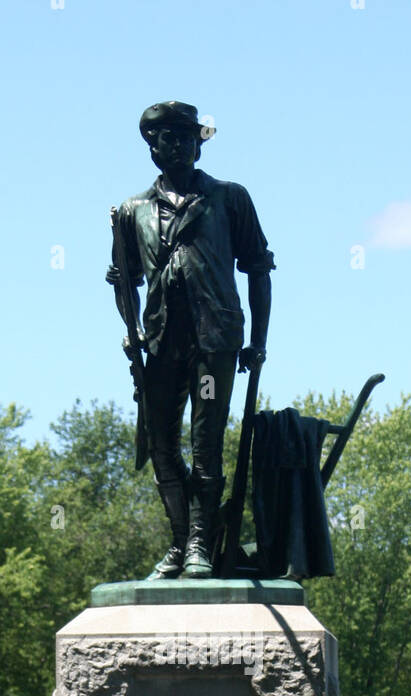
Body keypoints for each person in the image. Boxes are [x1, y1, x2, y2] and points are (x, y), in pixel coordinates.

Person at [107, 101, 275, 579]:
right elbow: (124, 279)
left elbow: (258, 268)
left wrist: (257, 341)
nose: (177, 146)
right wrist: (133, 329)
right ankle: (180, 540)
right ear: (152, 148)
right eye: (166, 138)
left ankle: (201, 542)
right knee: (160, 444)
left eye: (186, 137)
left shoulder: (230, 198)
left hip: (213, 340)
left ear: (199, 144)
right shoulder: (130, 212)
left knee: (206, 441)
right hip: (160, 344)